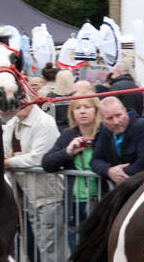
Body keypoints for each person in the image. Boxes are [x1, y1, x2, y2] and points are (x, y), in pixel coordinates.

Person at [4, 103, 64, 262]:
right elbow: (3, 150)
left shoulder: (43, 122)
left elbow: (38, 158)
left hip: (46, 192)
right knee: (40, 244)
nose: (18, 105)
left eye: (22, 99)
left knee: (50, 246)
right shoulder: (12, 122)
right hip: (26, 191)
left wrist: (9, 161)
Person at [43, 91, 103, 251]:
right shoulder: (68, 135)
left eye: (87, 107)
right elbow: (47, 163)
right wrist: (68, 152)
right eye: (78, 108)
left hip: (101, 202)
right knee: (77, 253)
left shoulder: (104, 133)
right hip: (75, 205)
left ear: (96, 110)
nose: (82, 111)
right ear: (72, 113)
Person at [91, 96, 144, 185]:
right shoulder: (105, 131)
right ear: (102, 120)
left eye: (118, 115)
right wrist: (109, 171)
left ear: (125, 111)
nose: (116, 122)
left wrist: (120, 174)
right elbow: (95, 160)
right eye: (109, 118)